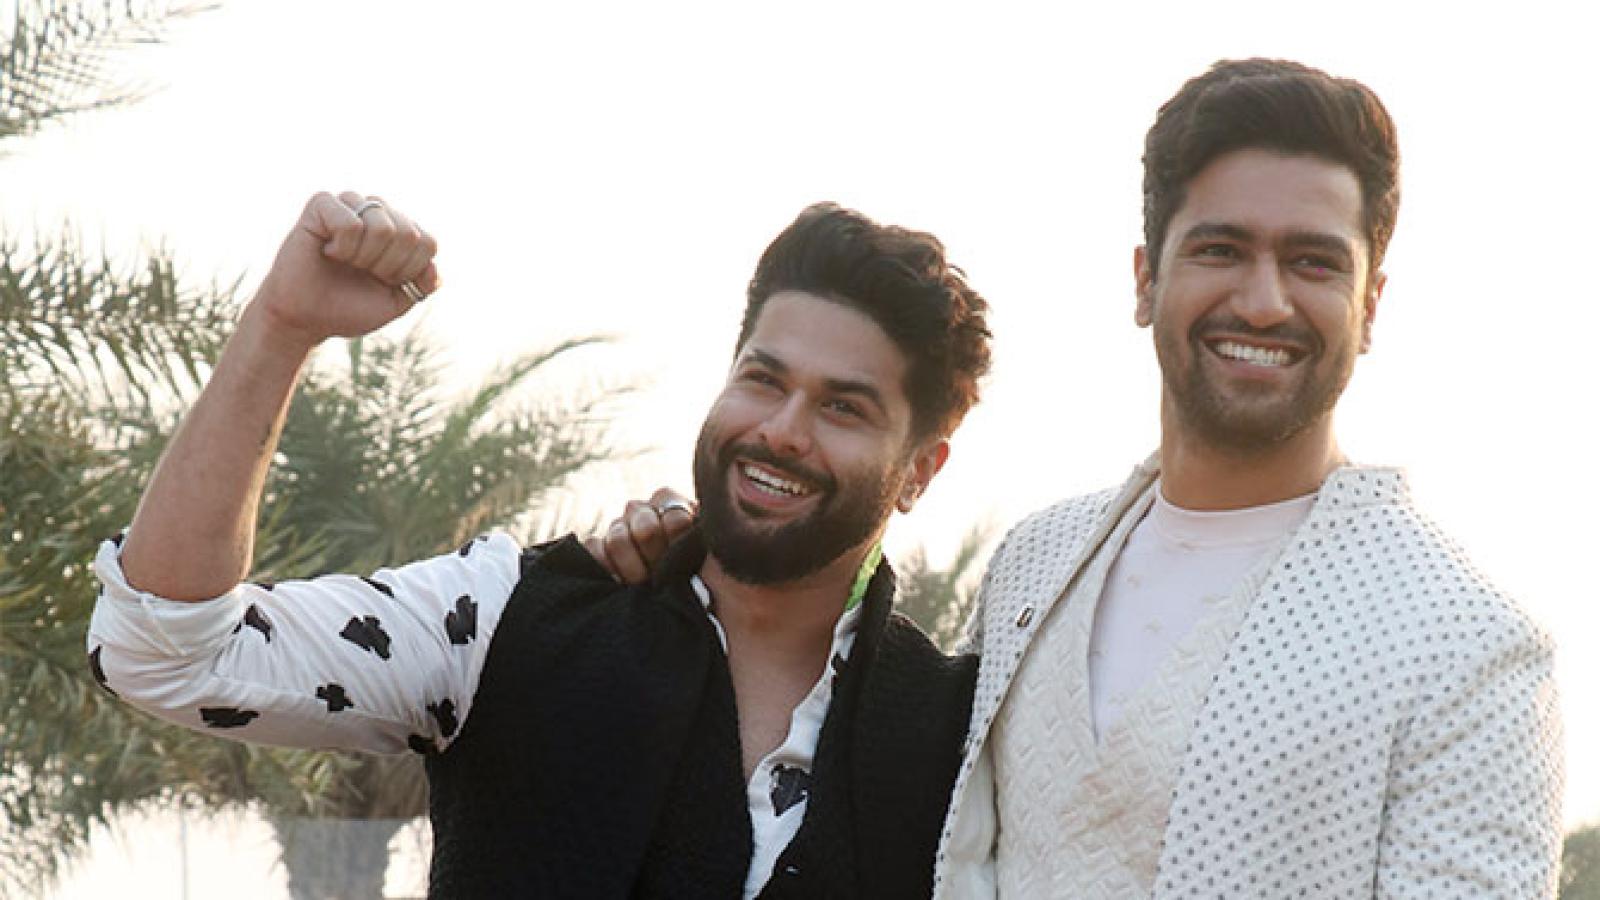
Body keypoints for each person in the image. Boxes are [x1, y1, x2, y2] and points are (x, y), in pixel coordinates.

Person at [601, 59, 1566, 898]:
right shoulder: (1036, 562)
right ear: (1146, 279)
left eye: (1313, 262)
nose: (1264, 300)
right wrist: (677, 562)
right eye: (1220, 249)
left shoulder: (1465, 648)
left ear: (1370, 304)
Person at [86, 194, 992, 897]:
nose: (783, 430)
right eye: (763, 379)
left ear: (920, 470)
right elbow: (165, 651)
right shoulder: (505, 622)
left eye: (843, 407)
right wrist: (283, 326)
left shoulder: (970, 737)